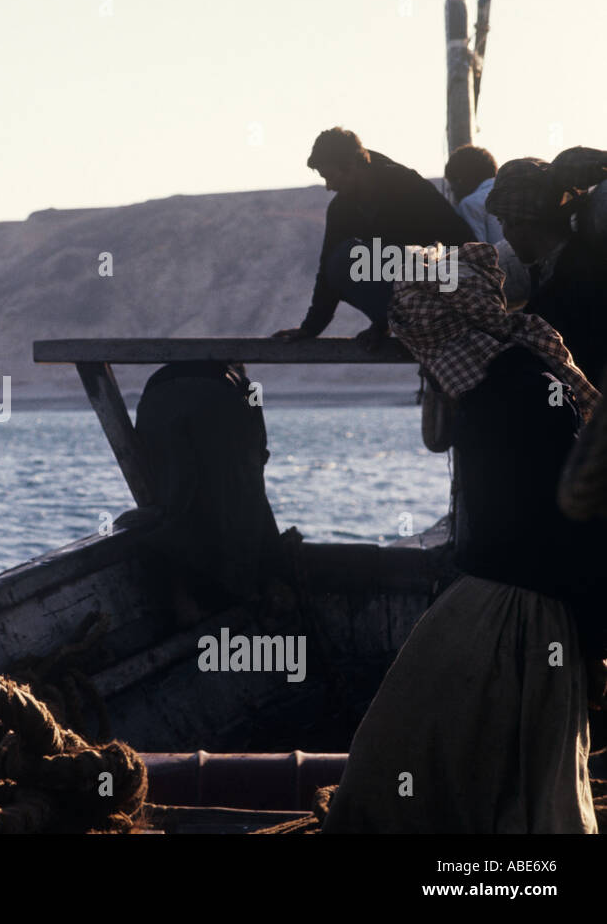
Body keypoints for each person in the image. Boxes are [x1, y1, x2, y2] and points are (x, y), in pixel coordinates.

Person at [323, 242, 607, 833]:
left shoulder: (517, 397)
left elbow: (569, 532)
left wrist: (589, 639)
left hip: (524, 611)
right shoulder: (507, 383)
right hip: (508, 600)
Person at [272, 128, 475, 348]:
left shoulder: (408, 186)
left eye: (331, 177)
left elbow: (460, 240)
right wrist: (310, 328)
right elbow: (327, 272)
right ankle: (392, 322)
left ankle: (426, 320)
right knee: (341, 261)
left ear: (353, 165)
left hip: (439, 288)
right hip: (404, 297)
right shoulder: (342, 210)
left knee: (357, 256)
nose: (329, 187)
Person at [134, 362, 281, 606]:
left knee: (173, 500)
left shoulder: (169, 373)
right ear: (240, 368)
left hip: (153, 407)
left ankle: (180, 598)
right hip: (217, 403)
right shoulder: (249, 387)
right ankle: (243, 591)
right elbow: (258, 449)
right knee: (243, 501)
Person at [486, 148, 607, 388]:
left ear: (520, 222)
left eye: (502, 222)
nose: (504, 233)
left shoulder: (570, 282)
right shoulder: (569, 264)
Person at [444, 144, 503, 243]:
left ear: (460, 180)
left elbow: (478, 250)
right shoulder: (512, 192)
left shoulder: (470, 204)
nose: (452, 190)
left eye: (452, 184)